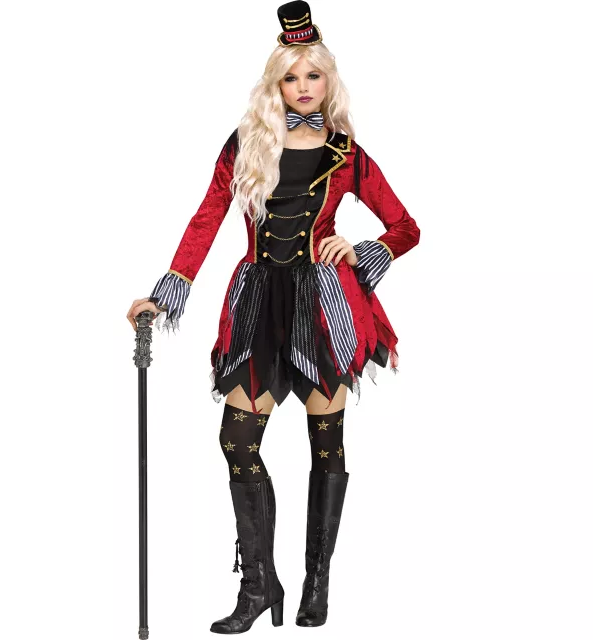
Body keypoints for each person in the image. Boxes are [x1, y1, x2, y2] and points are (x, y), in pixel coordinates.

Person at [127, 0, 420, 632]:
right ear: (276, 83)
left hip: (323, 308)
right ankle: (260, 584)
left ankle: (317, 584)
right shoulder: (246, 146)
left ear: (328, 80)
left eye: (314, 75)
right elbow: (206, 219)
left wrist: (363, 249)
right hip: (259, 305)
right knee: (238, 441)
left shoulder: (347, 155)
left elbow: (406, 226)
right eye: (292, 77)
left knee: (326, 446)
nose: (304, 87)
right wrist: (166, 291)